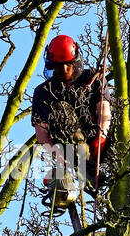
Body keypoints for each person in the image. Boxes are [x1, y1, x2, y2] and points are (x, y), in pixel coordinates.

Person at [31, 35, 111, 205]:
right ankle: (72, 175)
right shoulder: (44, 92)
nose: (65, 69)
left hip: (97, 136)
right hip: (67, 146)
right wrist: (58, 155)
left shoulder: (92, 78)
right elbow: (42, 133)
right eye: (59, 66)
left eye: (68, 64)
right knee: (62, 111)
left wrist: (101, 138)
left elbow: (103, 110)